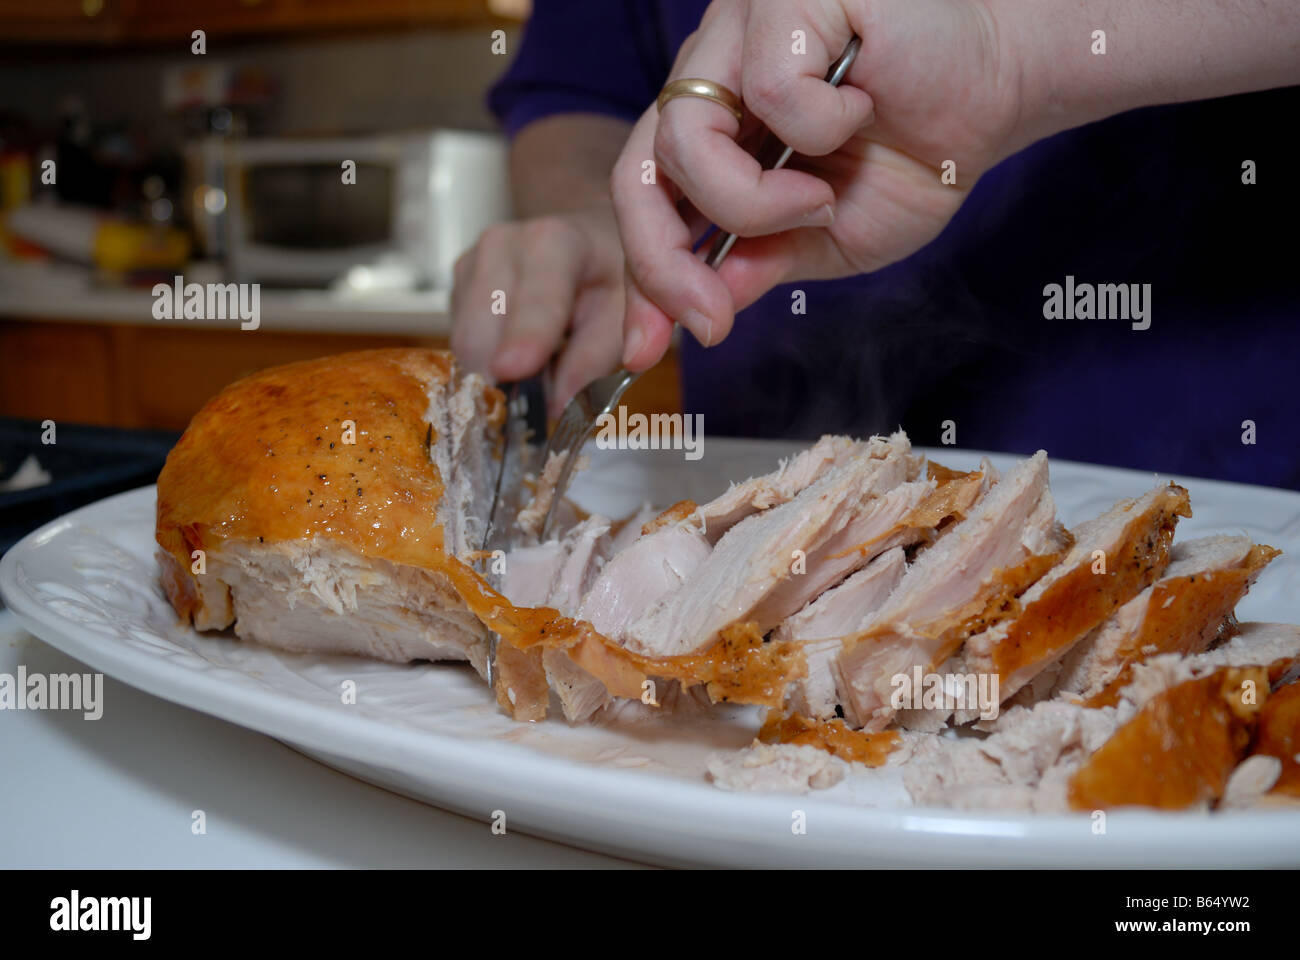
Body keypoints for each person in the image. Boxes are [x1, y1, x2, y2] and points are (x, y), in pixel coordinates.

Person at [451, 0, 1299, 488]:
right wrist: (611, 218)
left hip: (1215, 482)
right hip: (749, 504)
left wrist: (1012, 43)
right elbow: (579, 84)